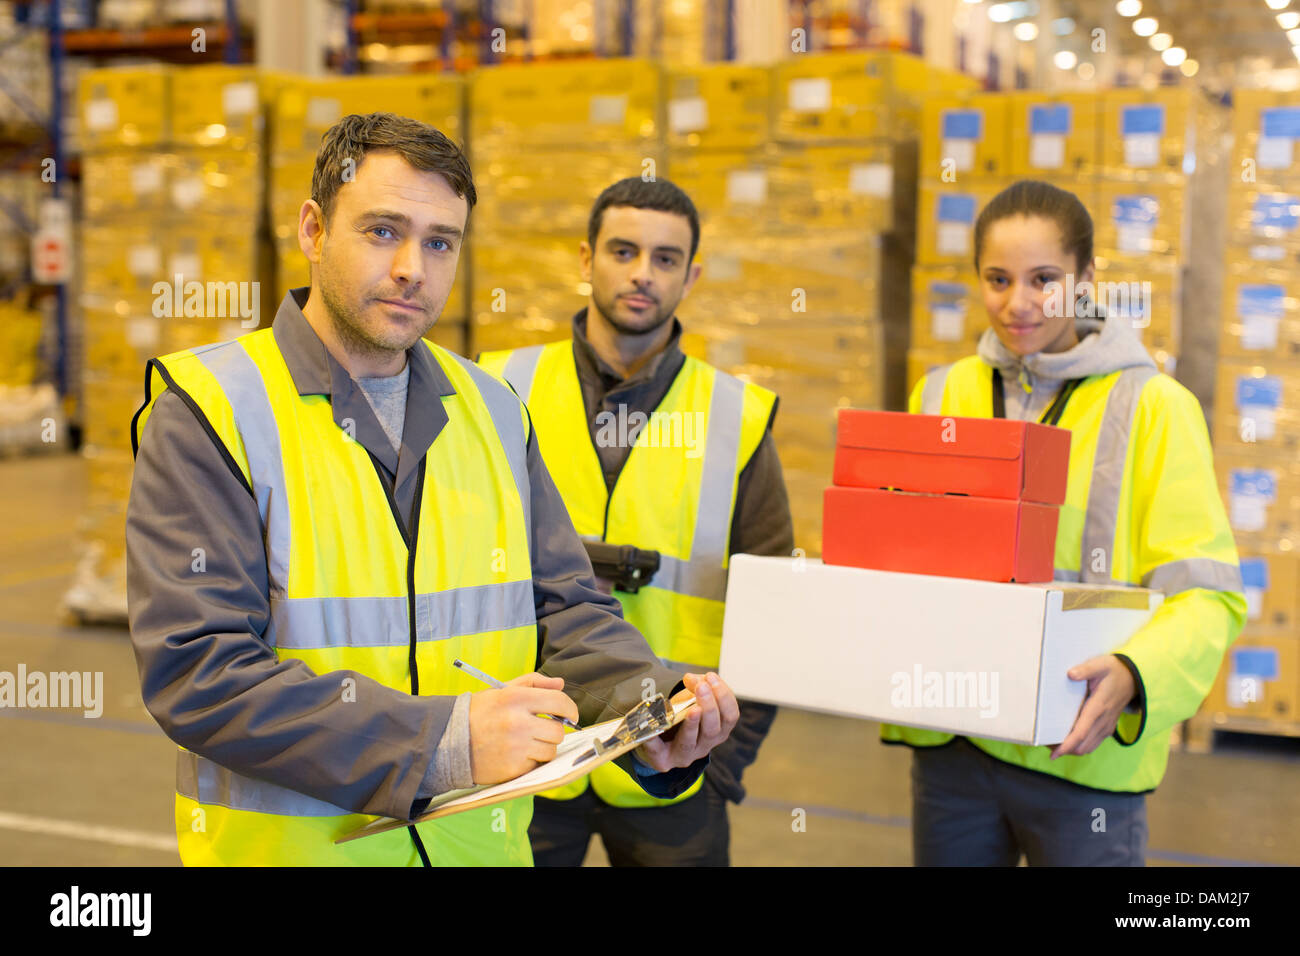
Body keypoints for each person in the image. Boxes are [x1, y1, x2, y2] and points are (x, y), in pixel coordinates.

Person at [125, 113, 741, 866]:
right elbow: (201, 670)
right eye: (383, 231)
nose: (414, 266)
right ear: (314, 231)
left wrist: (651, 703)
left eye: (440, 241)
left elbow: (565, 608)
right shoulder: (211, 411)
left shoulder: (491, 410)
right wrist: (442, 744)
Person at [885, 179, 1245, 866]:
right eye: (997, 279)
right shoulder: (940, 394)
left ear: (1086, 277)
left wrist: (1137, 672)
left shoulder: (1153, 407)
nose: (1018, 303)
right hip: (953, 747)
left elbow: (1209, 592)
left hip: (1084, 759)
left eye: (1044, 279)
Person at [478, 178, 793, 866]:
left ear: (692, 276)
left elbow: (774, 609)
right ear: (587, 259)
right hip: (525, 752)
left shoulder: (734, 417)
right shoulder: (499, 388)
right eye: (624, 251)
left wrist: (722, 761)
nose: (642, 273)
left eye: (665, 258)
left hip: (674, 763)